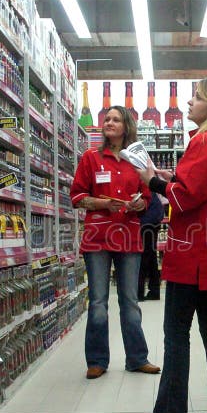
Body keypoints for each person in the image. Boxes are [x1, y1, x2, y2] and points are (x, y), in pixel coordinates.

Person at [129, 77, 207, 413]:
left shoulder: (204, 141)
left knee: (176, 334)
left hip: (192, 255)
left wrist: (152, 180)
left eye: (196, 98)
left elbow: (184, 198)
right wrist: (173, 177)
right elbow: (203, 189)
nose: (188, 103)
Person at [70, 105, 161, 380]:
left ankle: (137, 358)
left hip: (129, 236)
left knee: (130, 300)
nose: (109, 122)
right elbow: (76, 197)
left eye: (115, 119)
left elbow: (148, 198)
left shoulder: (138, 160)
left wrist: (139, 204)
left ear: (126, 126)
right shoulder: (90, 158)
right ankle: (97, 360)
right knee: (98, 301)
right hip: (97, 237)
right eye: (107, 118)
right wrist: (102, 203)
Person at [138, 193, 164, 301]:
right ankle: (154, 291)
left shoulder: (141, 185)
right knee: (151, 256)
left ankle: (139, 292)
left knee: (143, 257)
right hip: (153, 220)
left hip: (146, 222)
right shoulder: (150, 189)